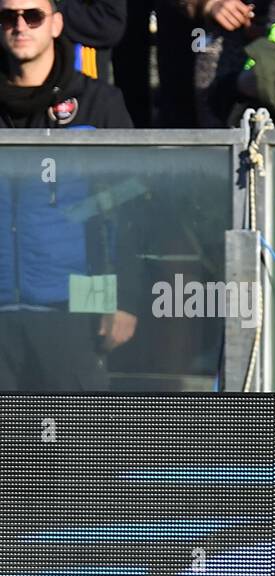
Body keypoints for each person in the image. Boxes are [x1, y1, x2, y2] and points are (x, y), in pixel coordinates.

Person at [0, 0, 138, 389]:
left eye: (33, 16)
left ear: (57, 24)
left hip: (74, 307)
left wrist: (124, 300)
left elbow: (130, 211)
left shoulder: (98, 103)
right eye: (8, 17)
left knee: (75, 429)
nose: (20, 26)